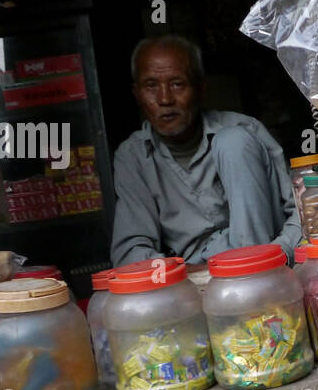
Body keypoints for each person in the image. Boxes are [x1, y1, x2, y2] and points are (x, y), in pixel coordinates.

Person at [110, 35, 302, 267]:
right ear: (137, 94)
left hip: (268, 264)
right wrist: (185, 273)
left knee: (233, 141)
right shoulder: (134, 156)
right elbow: (129, 252)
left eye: (177, 83)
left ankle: (253, 268)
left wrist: (278, 252)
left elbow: (304, 213)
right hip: (195, 275)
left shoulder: (245, 130)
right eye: (151, 86)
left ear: (201, 89)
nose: (164, 99)